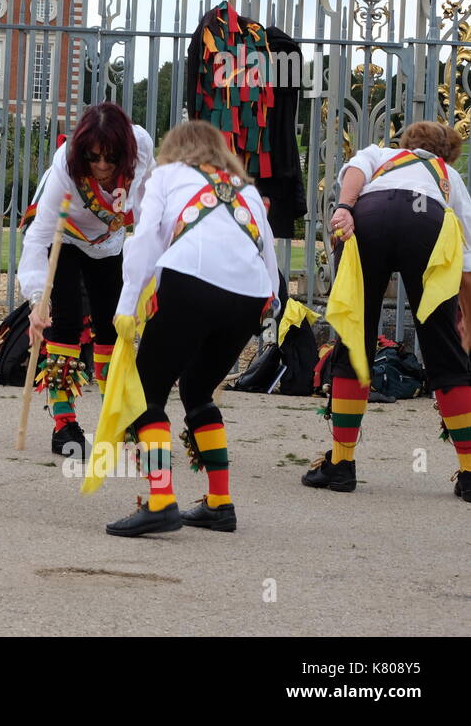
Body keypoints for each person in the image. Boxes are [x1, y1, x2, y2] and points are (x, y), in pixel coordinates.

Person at [102, 119, 279, 536]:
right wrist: (269, 306)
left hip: (191, 281)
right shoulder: (246, 189)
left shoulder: (166, 176)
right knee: (197, 389)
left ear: (173, 150)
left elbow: (145, 241)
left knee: (147, 392)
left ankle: (161, 501)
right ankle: (220, 503)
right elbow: (266, 247)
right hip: (250, 296)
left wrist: (127, 305)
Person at [305, 121, 471, 501]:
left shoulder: (381, 154)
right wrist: (467, 322)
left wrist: (346, 207)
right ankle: (470, 472)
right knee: (445, 353)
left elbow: (355, 171)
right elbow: (467, 261)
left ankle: (342, 465)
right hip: (426, 222)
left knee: (354, 341)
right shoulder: (449, 177)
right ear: (446, 154)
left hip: (370, 218)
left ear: (405, 143)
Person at [18, 102, 155, 458]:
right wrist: (37, 299)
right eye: (94, 159)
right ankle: (64, 423)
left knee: (112, 327)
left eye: (111, 158)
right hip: (63, 235)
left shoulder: (141, 146)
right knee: (64, 322)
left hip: (107, 241)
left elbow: (146, 200)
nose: (103, 167)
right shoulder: (65, 166)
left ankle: (116, 418)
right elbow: (37, 236)